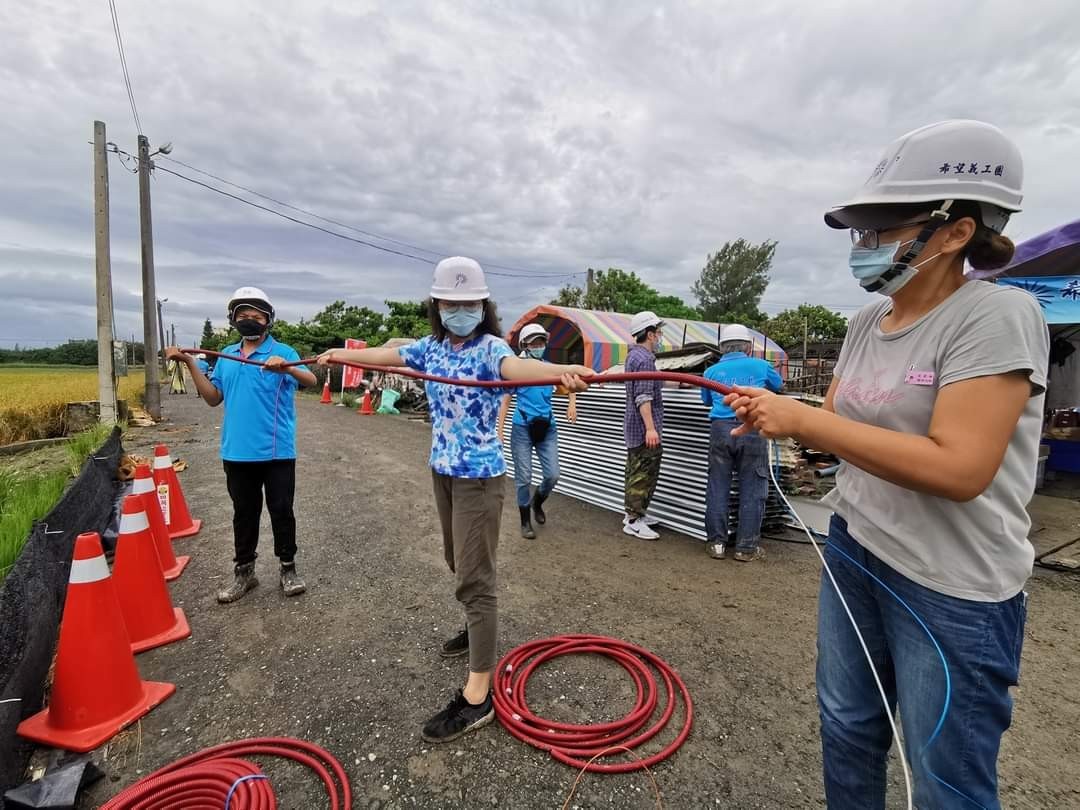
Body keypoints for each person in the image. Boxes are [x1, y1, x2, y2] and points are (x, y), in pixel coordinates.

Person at [723, 120, 1047, 809]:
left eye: (880, 230)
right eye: (860, 233)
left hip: (952, 584)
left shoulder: (996, 316)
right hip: (857, 546)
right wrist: (790, 415)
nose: (864, 247)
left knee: (944, 781)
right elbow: (839, 430)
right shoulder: (866, 324)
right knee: (846, 726)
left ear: (957, 231)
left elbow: (961, 469)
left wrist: (805, 418)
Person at [318, 257, 590, 744]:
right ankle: (475, 627)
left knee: (475, 578)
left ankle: (477, 696)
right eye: (451, 303)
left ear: (482, 306)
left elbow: (519, 367)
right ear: (437, 305)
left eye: (469, 304)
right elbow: (390, 355)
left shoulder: (491, 350)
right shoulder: (432, 348)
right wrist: (340, 354)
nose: (460, 310)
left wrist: (560, 370)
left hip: (479, 479)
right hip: (442, 472)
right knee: (456, 562)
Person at [166, 286, 317, 603]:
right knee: (243, 513)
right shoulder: (227, 356)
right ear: (233, 320)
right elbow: (212, 398)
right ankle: (244, 573)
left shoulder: (285, 352)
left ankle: (288, 568)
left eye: (256, 315)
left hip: (277, 451)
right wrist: (189, 362)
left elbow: (311, 381)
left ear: (268, 320)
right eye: (242, 315)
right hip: (236, 452)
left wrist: (286, 365)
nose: (249, 320)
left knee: (281, 510)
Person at [701, 324, 783, 561]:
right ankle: (745, 549)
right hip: (751, 428)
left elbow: (706, 400)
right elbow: (778, 386)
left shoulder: (711, 372)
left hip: (720, 431)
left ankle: (716, 544)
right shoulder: (761, 366)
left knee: (718, 485)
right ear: (748, 346)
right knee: (752, 486)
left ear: (722, 348)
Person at [497, 323, 579, 539]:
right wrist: (500, 431)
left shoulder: (549, 368)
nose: (538, 345)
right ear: (525, 345)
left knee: (553, 475)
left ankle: (537, 502)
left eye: (541, 341)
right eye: (534, 342)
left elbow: (569, 382)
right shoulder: (518, 370)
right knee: (524, 477)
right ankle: (525, 520)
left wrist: (572, 401)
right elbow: (505, 402)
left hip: (547, 427)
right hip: (522, 427)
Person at [622, 310, 665, 540]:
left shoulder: (633, 356)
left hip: (632, 426)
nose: (659, 337)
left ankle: (634, 513)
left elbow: (648, 386)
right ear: (649, 334)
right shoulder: (646, 359)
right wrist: (650, 428)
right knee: (643, 474)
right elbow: (643, 396)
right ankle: (634, 520)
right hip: (643, 428)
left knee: (634, 471)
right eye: (657, 333)